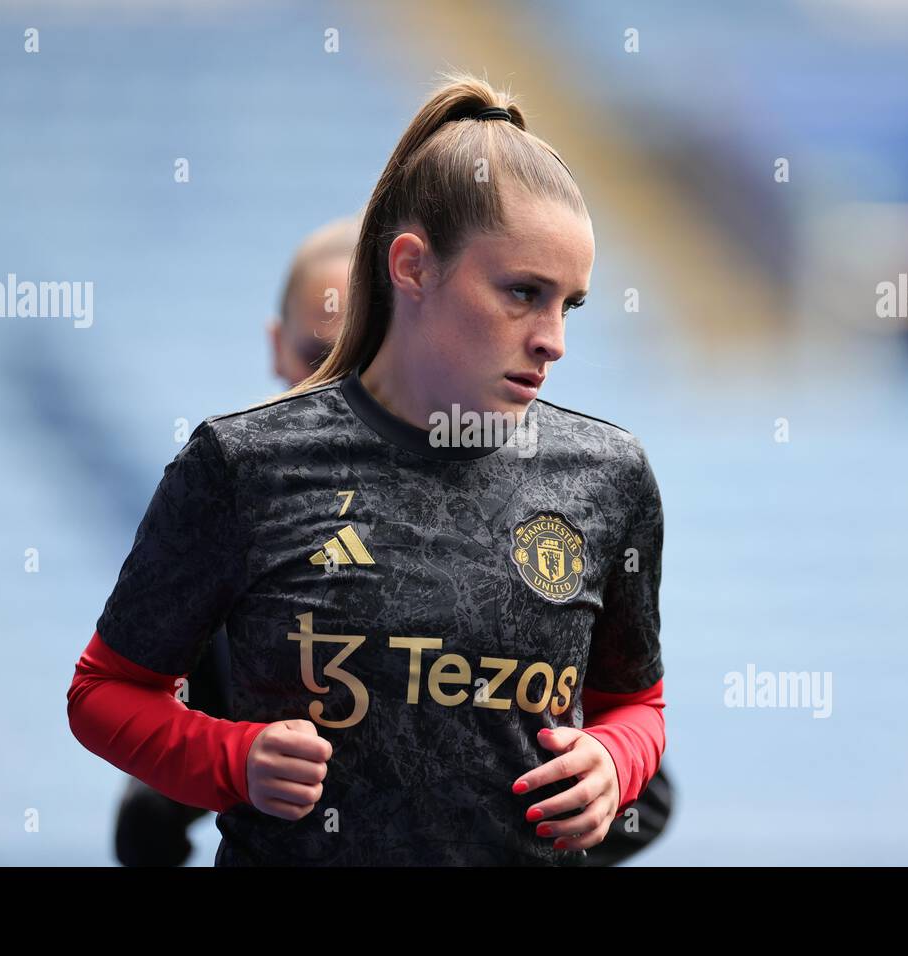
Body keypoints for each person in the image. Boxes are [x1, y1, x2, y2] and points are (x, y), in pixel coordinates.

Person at [68, 71, 667, 866]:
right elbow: (103, 693)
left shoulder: (608, 475)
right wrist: (233, 761)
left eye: (569, 305)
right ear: (412, 267)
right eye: (523, 293)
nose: (553, 338)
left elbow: (637, 703)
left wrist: (615, 763)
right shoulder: (246, 465)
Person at [111, 215, 359, 866]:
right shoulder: (230, 503)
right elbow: (156, 721)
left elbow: (615, 780)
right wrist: (180, 789)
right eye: (317, 356)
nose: (336, 386)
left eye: (363, 356)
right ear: (276, 347)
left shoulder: (492, 511)